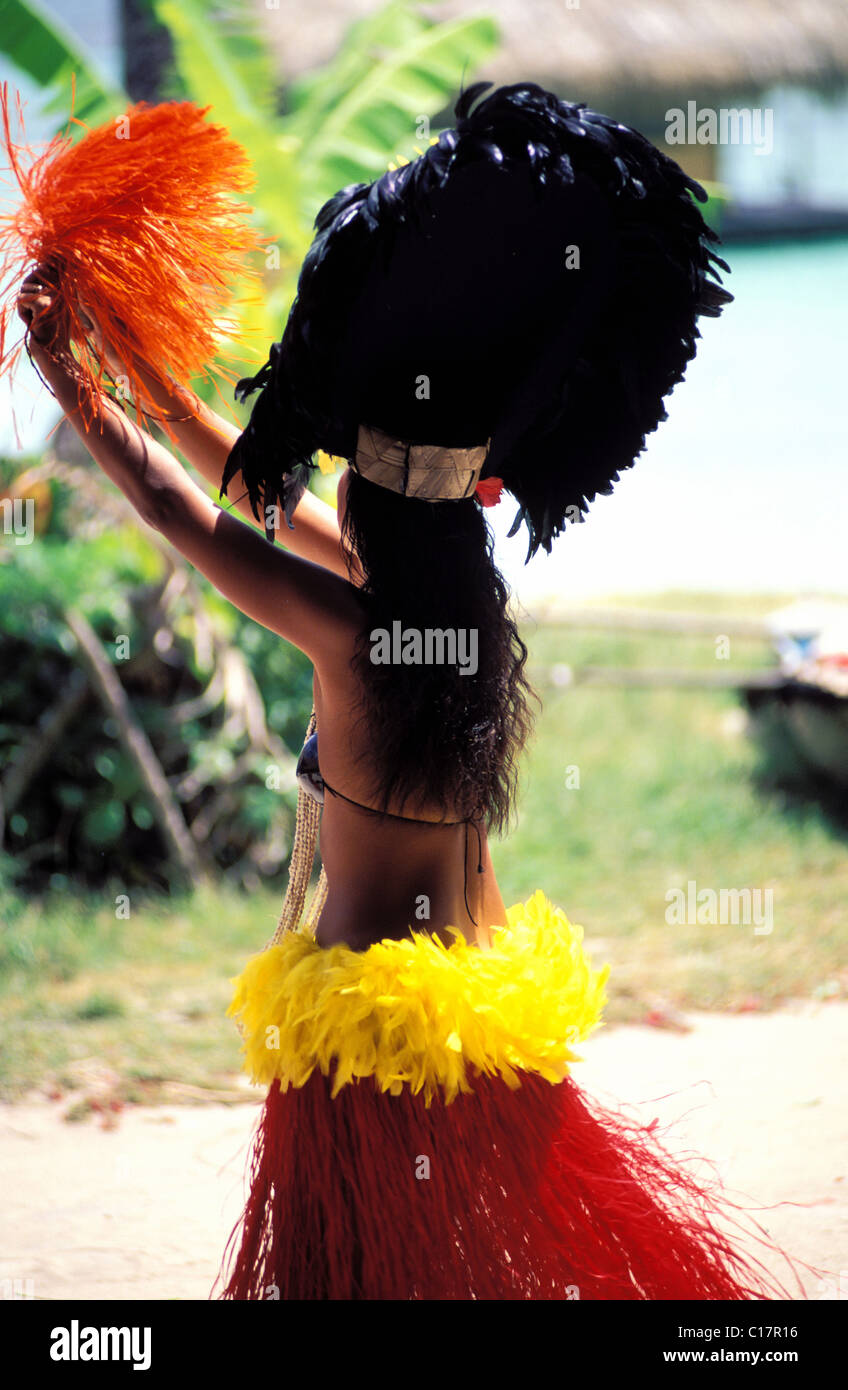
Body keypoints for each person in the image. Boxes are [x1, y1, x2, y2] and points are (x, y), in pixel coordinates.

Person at [18, 82, 791, 1300]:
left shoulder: (345, 625)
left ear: (365, 519)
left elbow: (188, 512)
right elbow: (246, 488)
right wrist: (125, 353)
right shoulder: (456, 620)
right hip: (476, 1024)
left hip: (368, 1051)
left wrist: (73, 389)